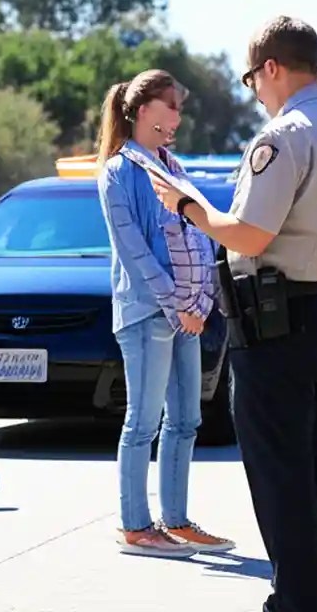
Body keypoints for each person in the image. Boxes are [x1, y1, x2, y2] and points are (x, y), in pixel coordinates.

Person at [148, 16, 317, 611]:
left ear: (271, 68)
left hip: (280, 326)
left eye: (252, 78)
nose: (254, 91)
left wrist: (188, 207)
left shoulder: (284, 137)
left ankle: (293, 603)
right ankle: (308, 597)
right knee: (308, 471)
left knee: (280, 476)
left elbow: (249, 235)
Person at [95, 68, 236, 559]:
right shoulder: (118, 172)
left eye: (179, 108)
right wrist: (178, 304)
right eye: (171, 106)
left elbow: (196, 236)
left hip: (187, 314)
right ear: (143, 108)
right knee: (143, 421)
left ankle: (175, 520)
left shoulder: (172, 166)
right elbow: (134, 252)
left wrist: (200, 303)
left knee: (187, 420)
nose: (177, 117)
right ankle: (136, 525)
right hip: (149, 313)